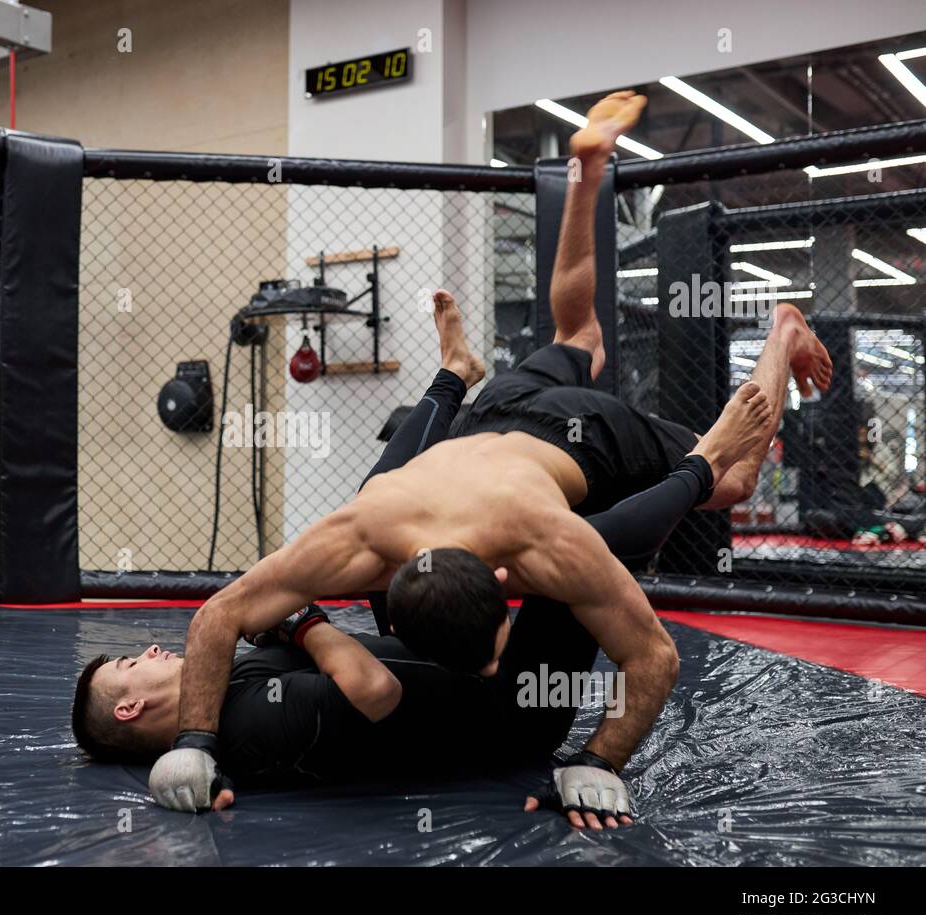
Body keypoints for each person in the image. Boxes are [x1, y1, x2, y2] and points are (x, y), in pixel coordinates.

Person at [141, 90, 831, 820]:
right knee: (580, 335)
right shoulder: (362, 533)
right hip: (487, 418)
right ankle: (586, 171)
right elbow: (216, 616)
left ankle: (782, 332)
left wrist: (597, 763)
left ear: (509, 581)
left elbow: (654, 658)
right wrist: (192, 739)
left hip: (580, 433)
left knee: (733, 478)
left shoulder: (516, 540)